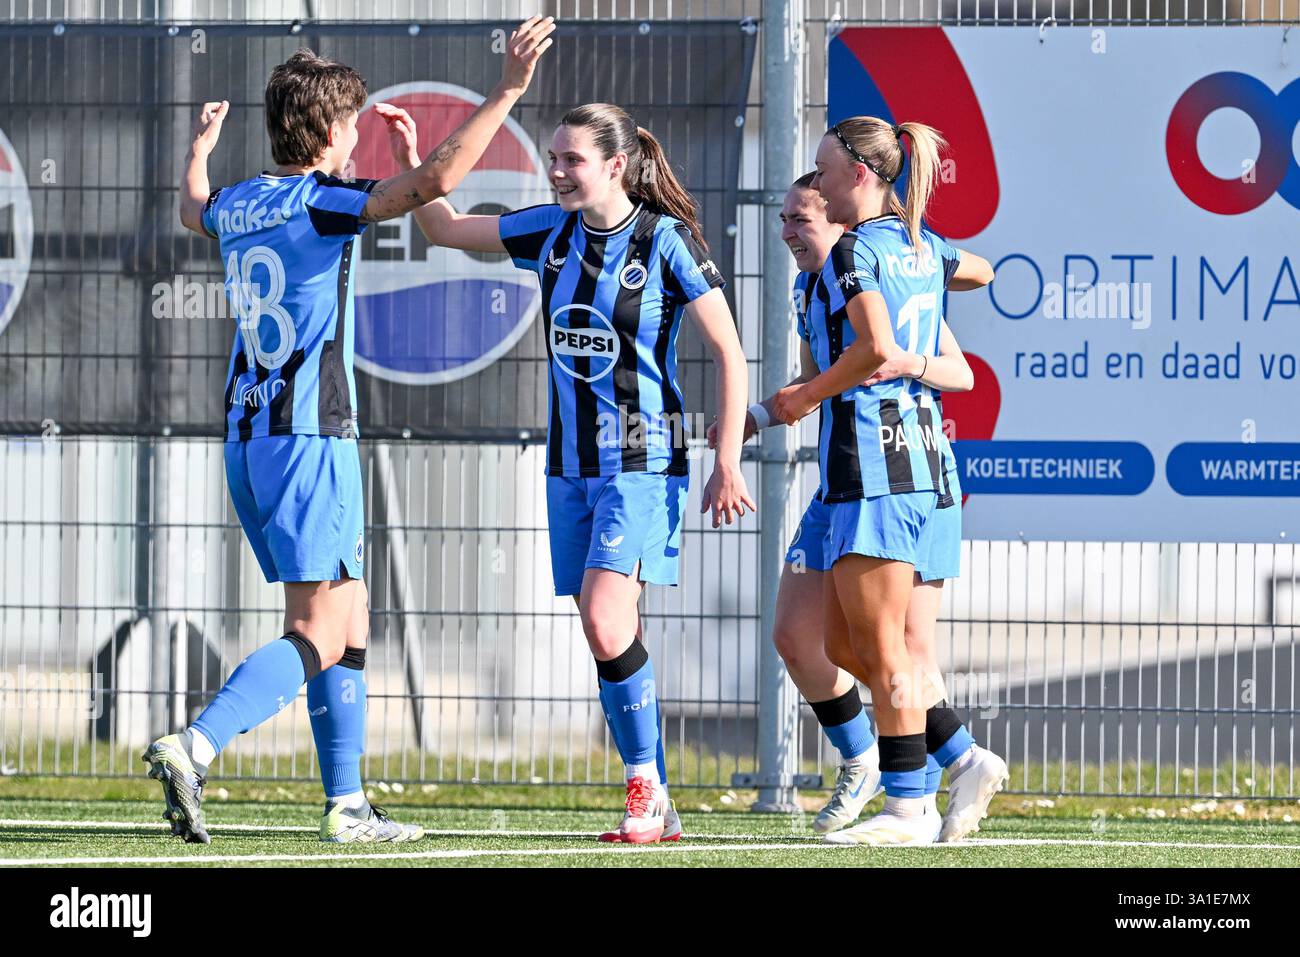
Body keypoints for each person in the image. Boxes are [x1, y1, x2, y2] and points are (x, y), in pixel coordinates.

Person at [145, 17, 556, 845]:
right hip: (310, 438)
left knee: (353, 618)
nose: (354, 138)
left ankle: (347, 804)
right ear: (332, 132)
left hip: (252, 438)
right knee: (318, 630)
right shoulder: (322, 204)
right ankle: (196, 743)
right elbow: (437, 182)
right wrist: (507, 88)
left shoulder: (240, 202)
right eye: (353, 127)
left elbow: (193, 205)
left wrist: (199, 144)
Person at [386, 101, 754, 844]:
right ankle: (656, 794)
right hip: (571, 466)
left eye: (572, 160)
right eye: (553, 159)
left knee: (603, 616)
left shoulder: (665, 241)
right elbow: (446, 228)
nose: (556, 171)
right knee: (607, 630)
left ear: (616, 165)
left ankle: (644, 791)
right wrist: (412, 165)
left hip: (644, 460)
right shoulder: (546, 231)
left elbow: (730, 351)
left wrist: (725, 459)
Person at [712, 173, 984, 835]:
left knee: (897, 645)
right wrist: (756, 415)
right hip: (842, 480)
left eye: (799, 218)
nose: (786, 233)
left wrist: (903, 362)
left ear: (839, 218)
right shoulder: (815, 287)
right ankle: (931, 759)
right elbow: (816, 382)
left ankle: (910, 791)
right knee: (811, 637)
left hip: (896, 468)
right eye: (781, 219)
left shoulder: (878, 269)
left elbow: (960, 369)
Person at [773, 117, 1005, 846]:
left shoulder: (854, 253)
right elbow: (981, 270)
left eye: (824, 171)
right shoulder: (914, 246)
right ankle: (962, 759)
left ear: (859, 176)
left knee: (883, 645)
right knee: (852, 645)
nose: (817, 183)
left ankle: (908, 804)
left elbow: (874, 347)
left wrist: (803, 398)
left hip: (877, 456)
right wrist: (923, 262)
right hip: (912, 457)